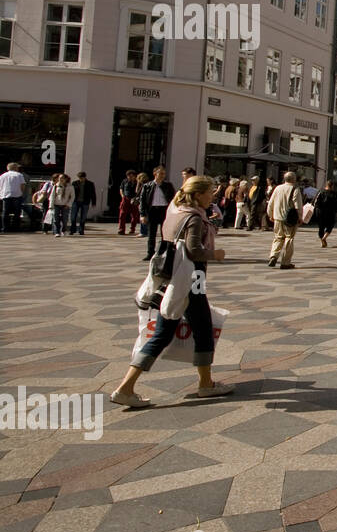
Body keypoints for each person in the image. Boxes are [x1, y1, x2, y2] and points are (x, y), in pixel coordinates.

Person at [111, 175, 234, 407]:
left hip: (172, 278)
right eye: (209, 193)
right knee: (199, 330)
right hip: (192, 278)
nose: (212, 198)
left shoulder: (175, 210)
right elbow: (194, 250)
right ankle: (203, 385)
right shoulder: (194, 218)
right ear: (197, 194)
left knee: (168, 331)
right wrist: (215, 254)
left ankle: (128, 387)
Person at [267, 172, 304, 269]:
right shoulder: (295, 189)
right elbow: (298, 205)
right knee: (289, 238)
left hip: (277, 217)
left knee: (278, 237)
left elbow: (271, 203)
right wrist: (300, 217)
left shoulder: (278, 188)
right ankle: (285, 262)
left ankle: (273, 256)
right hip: (289, 219)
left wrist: (270, 214)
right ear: (294, 179)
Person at [139, 167, 176, 258]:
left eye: (164, 173)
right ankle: (150, 253)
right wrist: (143, 214)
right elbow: (142, 201)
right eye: (161, 173)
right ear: (155, 174)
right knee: (151, 233)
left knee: (165, 233)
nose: (163, 175)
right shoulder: (147, 186)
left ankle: (163, 252)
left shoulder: (168, 185)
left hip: (164, 210)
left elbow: (173, 199)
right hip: (152, 211)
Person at [0, 162, 25, 233]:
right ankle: (16, 228)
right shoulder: (19, 175)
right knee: (17, 213)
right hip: (17, 195)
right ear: (15, 168)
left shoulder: (2, 176)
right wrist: (21, 193)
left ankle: (5, 228)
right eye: (17, 167)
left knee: (5, 213)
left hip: (6, 195)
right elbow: (22, 185)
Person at [315, 180, 337, 248]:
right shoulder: (334, 194)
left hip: (320, 212)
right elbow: (336, 205)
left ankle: (321, 240)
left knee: (321, 227)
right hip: (330, 212)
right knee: (330, 226)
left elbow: (316, 203)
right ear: (332, 186)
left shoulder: (320, 192)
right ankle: (324, 237)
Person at [69, 171, 95, 235]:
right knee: (73, 216)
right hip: (75, 201)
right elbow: (71, 192)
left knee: (83, 217)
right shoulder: (75, 183)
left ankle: (81, 230)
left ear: (85, 177)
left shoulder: (90, 184)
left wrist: (93, 202)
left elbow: (93, 193)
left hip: (85, 202)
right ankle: (72, 230)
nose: (81, 179)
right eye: (79, 178)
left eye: (82, 178)